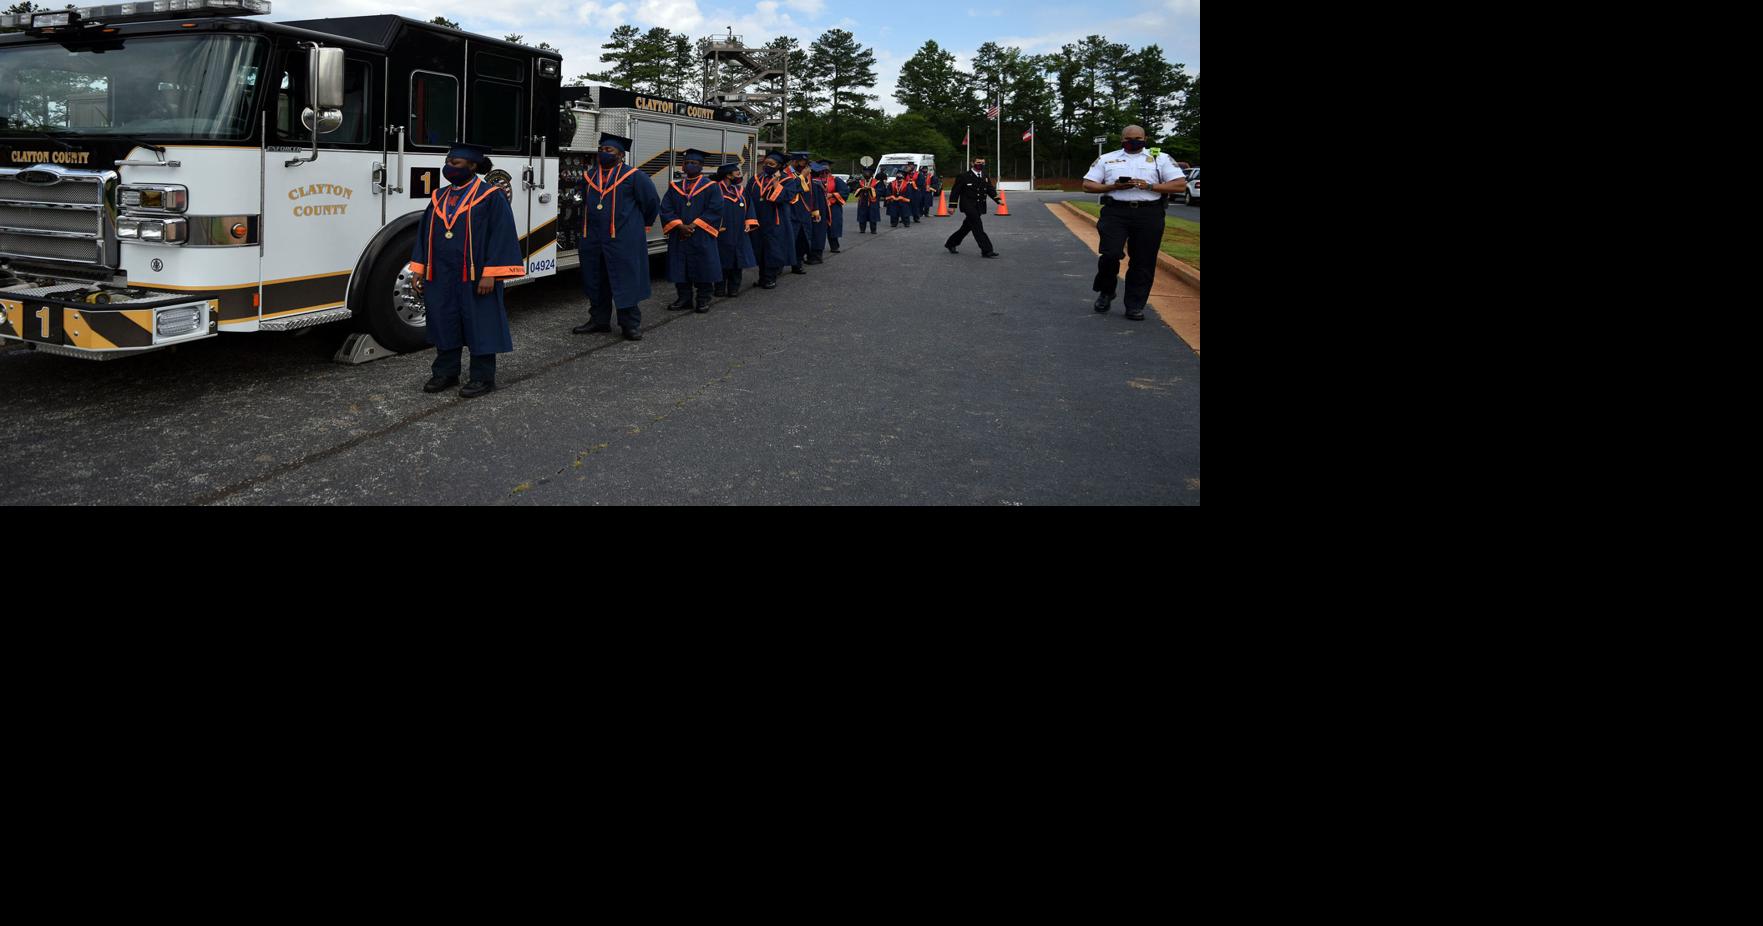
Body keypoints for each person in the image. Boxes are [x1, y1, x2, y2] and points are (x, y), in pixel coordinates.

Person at [407, 143, 524, 398]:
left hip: (475, 275)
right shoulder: (439, 197)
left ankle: (482, 378)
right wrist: (419, 269)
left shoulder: (491, 196)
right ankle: (446, 373)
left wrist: (490, 273)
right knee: (443, 320)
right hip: (441, 274)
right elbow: (425, 234)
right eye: (448, 162)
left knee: (480, 322)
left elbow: (502, 237)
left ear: (472, 166)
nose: (449, 167)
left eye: (456, 164)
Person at [1082, 125, 1188, 321]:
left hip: (1149, 213)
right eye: (1129, 138)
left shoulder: (1160, 159)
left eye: (1138, 138)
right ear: (1122, 139)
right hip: (1115, 212)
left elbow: (1180, 185)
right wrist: (1113, 186)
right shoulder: (1107, 158)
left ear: (1145, 138)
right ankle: (1106, 291)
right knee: (1110, 254)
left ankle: (1135, 305)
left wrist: (1149, 185)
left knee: (1143, 261)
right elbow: (1088, 184)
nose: (1134, 141)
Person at [571, 132, 660, 340]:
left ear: (620, 155)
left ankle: (630, 324)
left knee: (624, 279)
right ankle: (599, 321)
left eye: (608, 150)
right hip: (593, 238)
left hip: (623, 239)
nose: (603, 153)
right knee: (595, 279)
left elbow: (651, 203)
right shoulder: (589, 177)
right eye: (601, 150)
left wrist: (641, 225)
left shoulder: (634, 176)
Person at [660, 148, 724, 314]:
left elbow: (715, 209)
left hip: (701, 233)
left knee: (704, 266)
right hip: (679, 233)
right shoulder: (675, 187)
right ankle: (684, 298)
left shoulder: (711, 187)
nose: (690, 165)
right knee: (680, 266)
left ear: (701, 166)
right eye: (687, 162)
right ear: (682, 166)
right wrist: (680, 225)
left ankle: (703, 299)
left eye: (694, 163)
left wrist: (693, 225)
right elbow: (666, 208)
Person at [747, 151, 794, 290]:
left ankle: (770, 278)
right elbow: (747, 197)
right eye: (766, 163)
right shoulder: (755, 179)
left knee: (772, 250)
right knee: (759, 248)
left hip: (775, 221)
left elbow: (783, 198)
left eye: (771, 164)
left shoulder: (787, 181)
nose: (767, 166)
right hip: (758, 219)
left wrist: (775, 182)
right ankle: (762, 277)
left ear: (779, 166)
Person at [714, 161, 758, 298]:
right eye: (737, 172)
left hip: (739, 231)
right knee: (722, 260)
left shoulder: (740, 190)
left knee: (737, 260)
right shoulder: (715, 190)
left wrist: (749, 221)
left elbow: (750, 206)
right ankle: (719, 288)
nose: (739, 175)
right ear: (728, 175)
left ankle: (734, 288)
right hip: (722, 231)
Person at [943, 156, 1001, 258]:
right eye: (978, 162)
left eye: (983, 163)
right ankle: (987, 250)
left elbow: (989, 189)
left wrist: (997, 199)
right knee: (978, 227)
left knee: (966, 227)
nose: (981, 165)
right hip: (968, 206)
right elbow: (955, 192)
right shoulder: (963, 176)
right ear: (972, 163)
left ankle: (951, 243)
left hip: (979, 206)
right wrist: (952, 206)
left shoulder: (984, 175)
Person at [784, 150, 821, 269]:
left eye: (805, 162)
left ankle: (797, 264)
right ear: (794, 162)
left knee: (802, 239)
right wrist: (801, 177)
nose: (805, 165)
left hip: (804, 212)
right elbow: (790, 190)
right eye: (802, 162)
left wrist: (815, 210)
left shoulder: (807, 175)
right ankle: (778, 267)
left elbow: (811, 193)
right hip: (790, 211)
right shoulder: (785, 174)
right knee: (788, 239)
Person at [810, 161, 847, 257]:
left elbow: (844, 192)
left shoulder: (836, 180)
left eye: (826, 170)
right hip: (820, 207)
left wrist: (832, 194)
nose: (824, 172)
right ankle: (817, 248)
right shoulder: (814, 180)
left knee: (833, 226)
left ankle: (834, 246)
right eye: (822, 170)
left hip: (833, 206)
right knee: (818, 227)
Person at [853, 167, 882, 234]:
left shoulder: (876, 182)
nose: (866, 173)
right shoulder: (861, 182)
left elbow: (880, 191)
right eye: (865, 172)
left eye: (868, 172)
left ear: (872, 174)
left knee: (873, 215)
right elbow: (855, 191)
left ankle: (873, 230)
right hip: (862, 201)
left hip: (873, 202)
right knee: (862, 215)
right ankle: (862, 229)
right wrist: (861, 189)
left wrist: (871, 189)